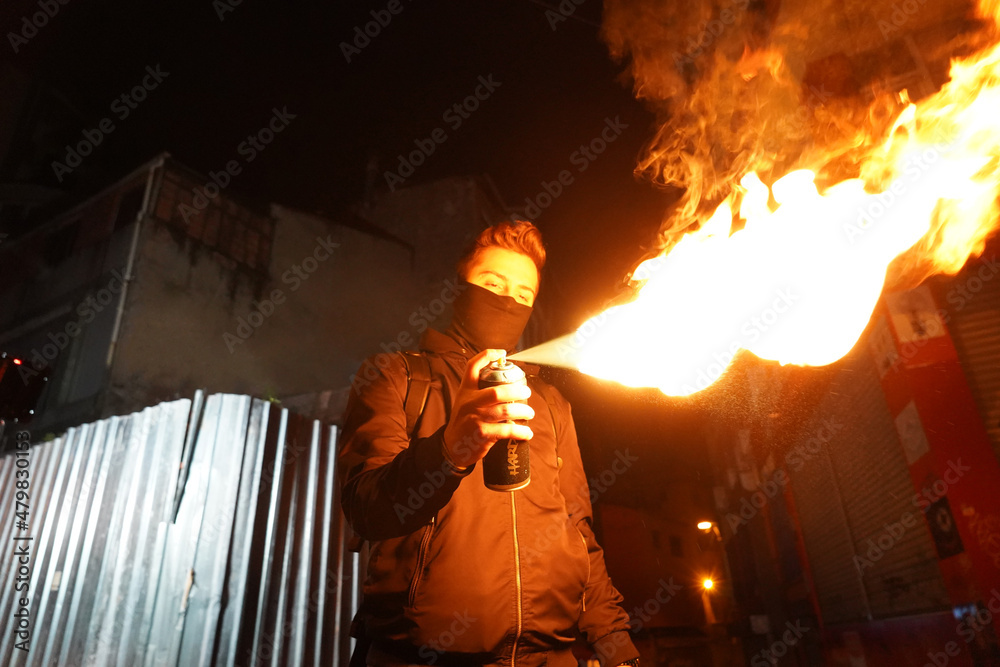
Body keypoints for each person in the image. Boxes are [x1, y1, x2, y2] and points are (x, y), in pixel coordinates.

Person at [338, 219, 639, 667]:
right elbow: (366, 506)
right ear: (459, 287)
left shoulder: (551, 403)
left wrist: (616, 647)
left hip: (550, 658)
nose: (507, 300)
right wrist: (449, 450)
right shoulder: (396, 375)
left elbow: (578, 532)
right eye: (492, 283)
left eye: (522, 295)